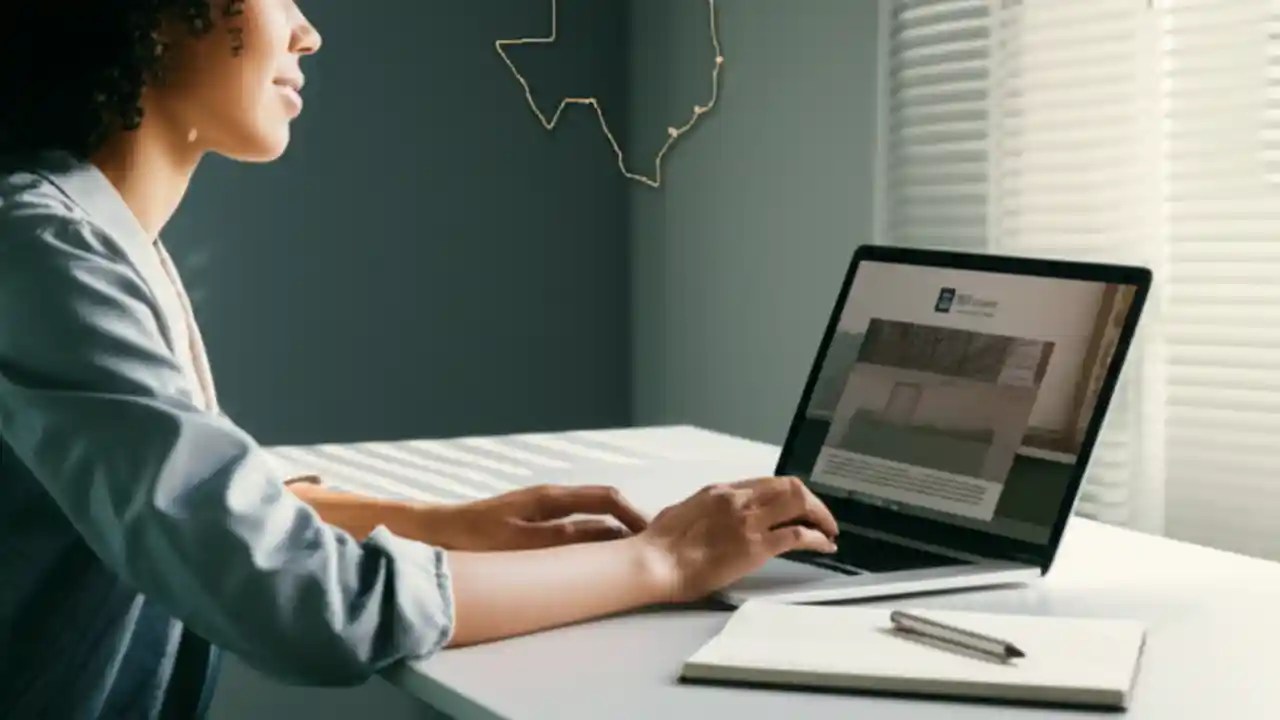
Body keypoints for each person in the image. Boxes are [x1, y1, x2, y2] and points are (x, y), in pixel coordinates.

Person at [0, 2, 841, 718]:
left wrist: (452, 525)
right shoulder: (48, 251)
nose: (307, 32)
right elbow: (297, 598)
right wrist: (663, 561)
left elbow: (199, 509)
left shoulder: (85, 234)